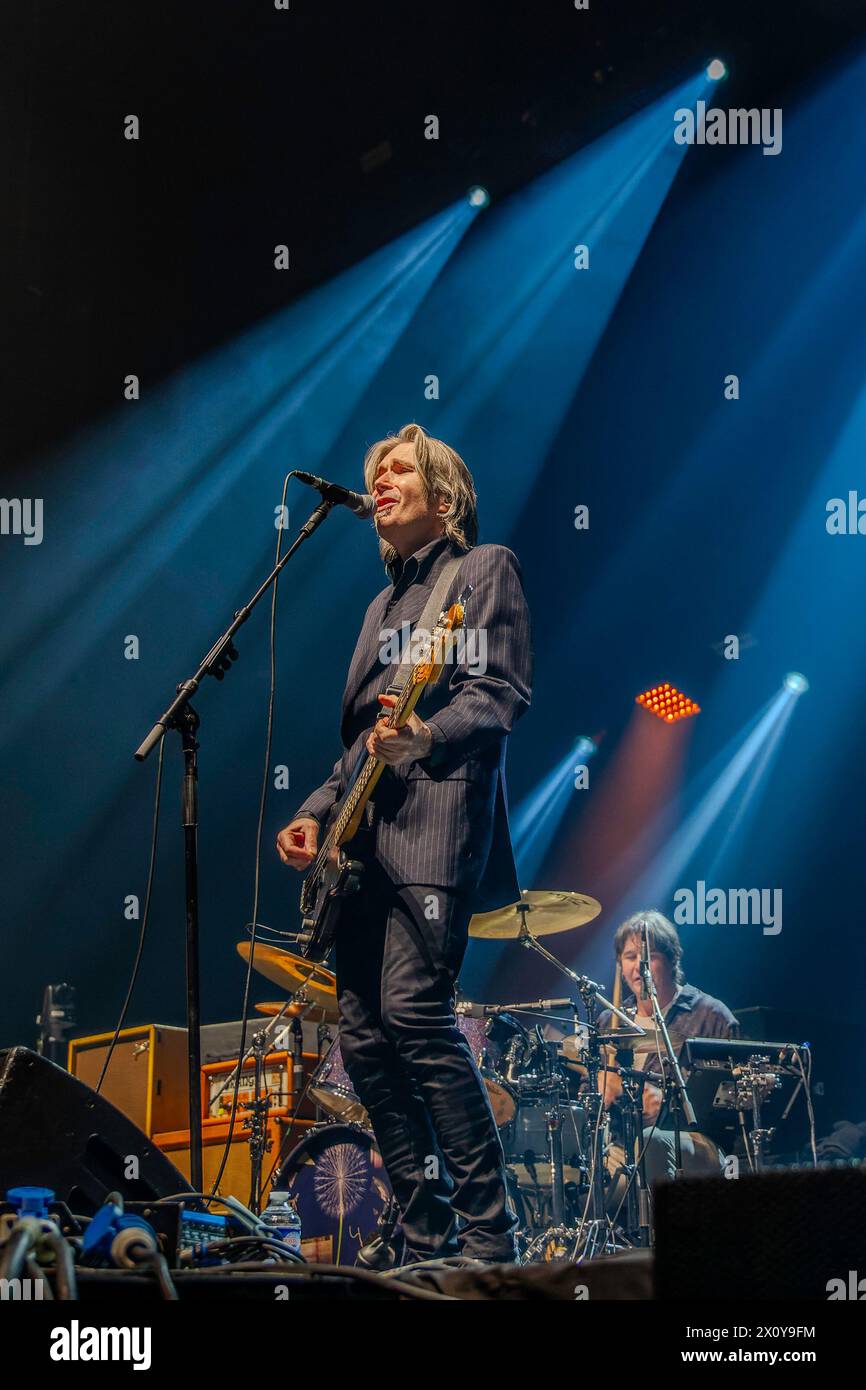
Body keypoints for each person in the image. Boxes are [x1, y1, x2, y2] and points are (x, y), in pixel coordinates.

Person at [276, 423, 532, 1263]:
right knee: (363, 1038)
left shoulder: (482, 568)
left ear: (445, 497)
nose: (378, 483)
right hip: (360, 847)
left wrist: (424, 737)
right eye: (373, 473)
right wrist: (317, 806)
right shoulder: (378, 608)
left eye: (398, 471)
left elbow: (498, 692)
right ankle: (426, 1232)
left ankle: (492, 1233)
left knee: (416, 1015)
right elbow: (361, 740)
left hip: (433, 827)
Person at [599, 910, 739, 1194]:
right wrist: (600, 1090)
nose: (639, 966)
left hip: (698, 1143)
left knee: (653, 1142)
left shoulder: (711, 1016)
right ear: (619, 965)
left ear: (672, 959)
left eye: (649, 956)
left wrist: (669, 1101)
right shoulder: (609, 1022)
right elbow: (588, 1102)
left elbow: (732, 1106)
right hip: (622, 1144)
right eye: (629, 957)